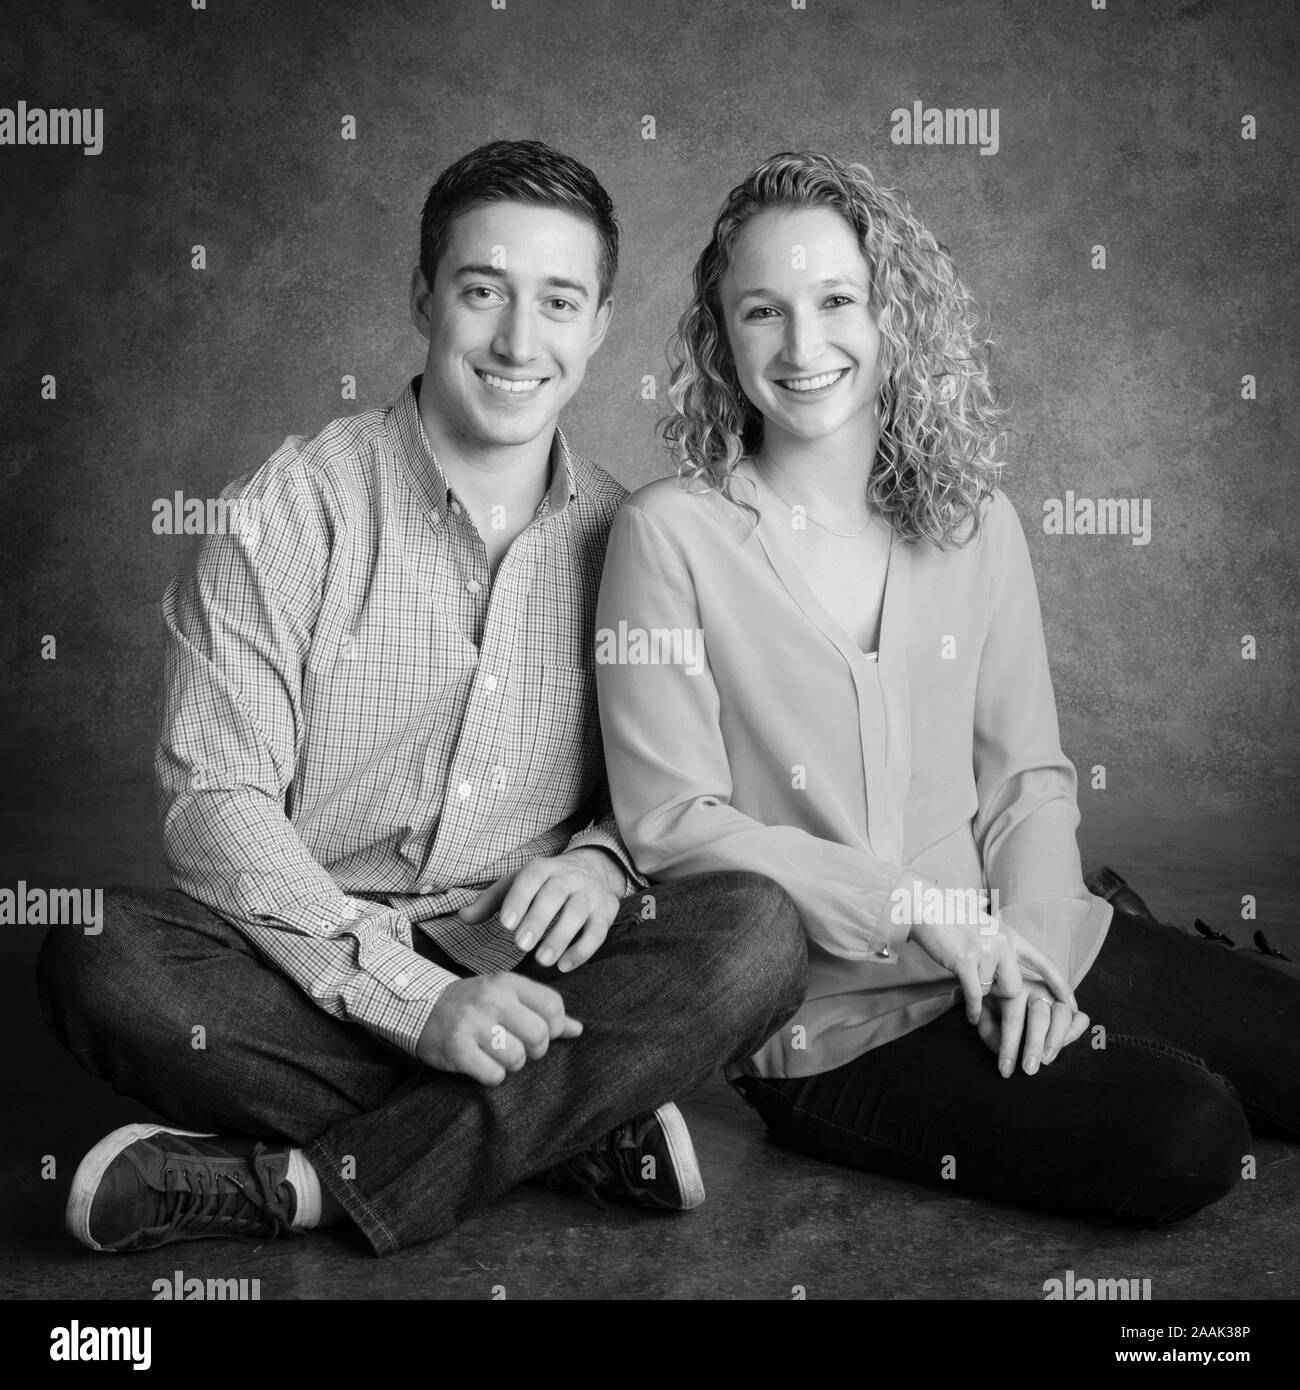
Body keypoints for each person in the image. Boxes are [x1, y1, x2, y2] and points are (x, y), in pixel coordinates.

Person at [36, 140, 806, 1258]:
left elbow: (678, 776)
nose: (515, 341)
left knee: (755, 936)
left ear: (597, 326)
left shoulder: (635, 537)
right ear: (422, 297)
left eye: (557, 301)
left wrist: (601, 856)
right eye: (482, 290)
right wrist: (412, 998)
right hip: (306, 957)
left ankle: (291, 1184)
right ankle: (566, 1128)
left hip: (536, 964)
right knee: (99, 952)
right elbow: (217, 807)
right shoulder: (286, 514)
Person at [594, 150, 1299, 1225]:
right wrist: (932, 920)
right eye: (760, 312)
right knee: (1188, 1133)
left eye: (836, 300)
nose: (802, 345)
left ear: (894, 318)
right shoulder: (667, 536)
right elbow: (673, 824)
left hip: (1016, 933)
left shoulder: (977, 526)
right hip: (836, 1020)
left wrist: (1024, 949)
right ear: (719, 338)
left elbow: (1024, 778)